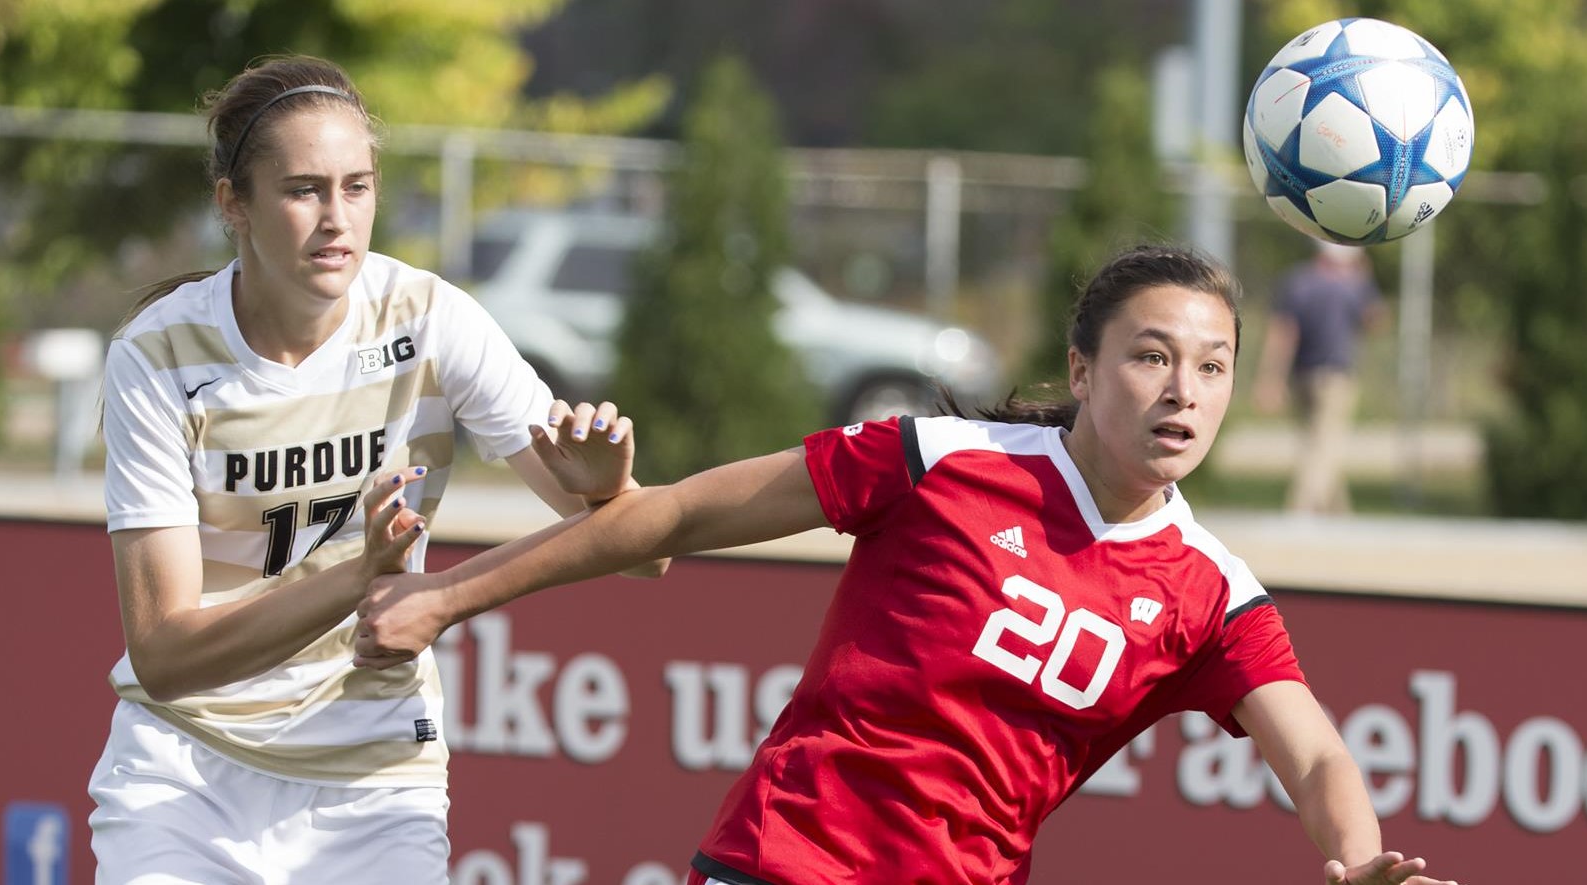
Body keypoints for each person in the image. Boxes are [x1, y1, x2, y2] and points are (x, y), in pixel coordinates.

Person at [353, 244, 1460, 885]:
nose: (1182, 391)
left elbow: (1312, 754)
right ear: (1081, 369)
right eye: (1150, 357)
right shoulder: (936, 460)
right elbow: (672, 516)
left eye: (1212, 367)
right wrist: (447, 596)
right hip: (781, 864)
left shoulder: (1209, 594)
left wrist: (1357, 863)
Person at [92, 55, 661, 883]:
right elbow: (165, 656)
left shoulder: (432, 319)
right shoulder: (157, 354)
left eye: (357, 186)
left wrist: (605, 487)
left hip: (375, 780)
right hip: (187, 774)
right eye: (303, 189)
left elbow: (646, 553)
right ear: (233, 205)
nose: (337, 218)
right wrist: (363, 573)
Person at [1252, 241, 1387, 515]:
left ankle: (1339, 516)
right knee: (1325, 447)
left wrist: (1271, 378)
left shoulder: (1297, 281)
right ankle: (1301, 511)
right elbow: (1377, 322)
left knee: (1319, 446)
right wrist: (1366, 278)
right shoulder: (1352, 284)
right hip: (1336, 377)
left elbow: (1282, 334)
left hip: (1301, 376)